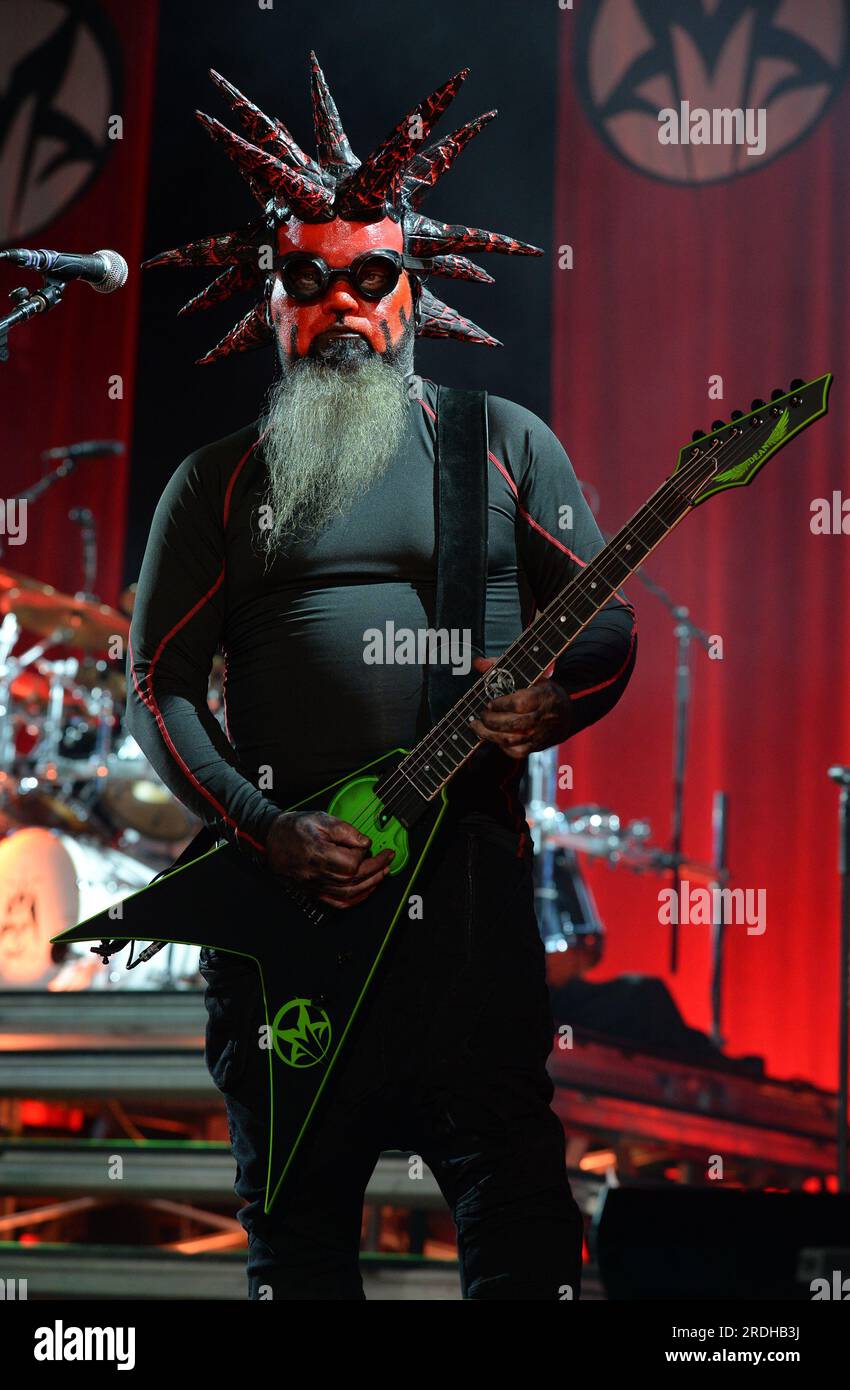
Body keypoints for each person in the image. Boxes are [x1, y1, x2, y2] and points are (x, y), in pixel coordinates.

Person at [128, 53, 637, 1300]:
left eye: (371, 278)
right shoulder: (218, 483)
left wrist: (549, 700)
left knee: (517, 1221)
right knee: (294, 1241)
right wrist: (264, 832)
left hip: (463, 915)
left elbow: (606, 629)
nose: (342, 306)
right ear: (272, 296)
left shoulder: (500, 448)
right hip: (285, 918)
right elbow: (158, 689)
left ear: (412, 298)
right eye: (308, 280)